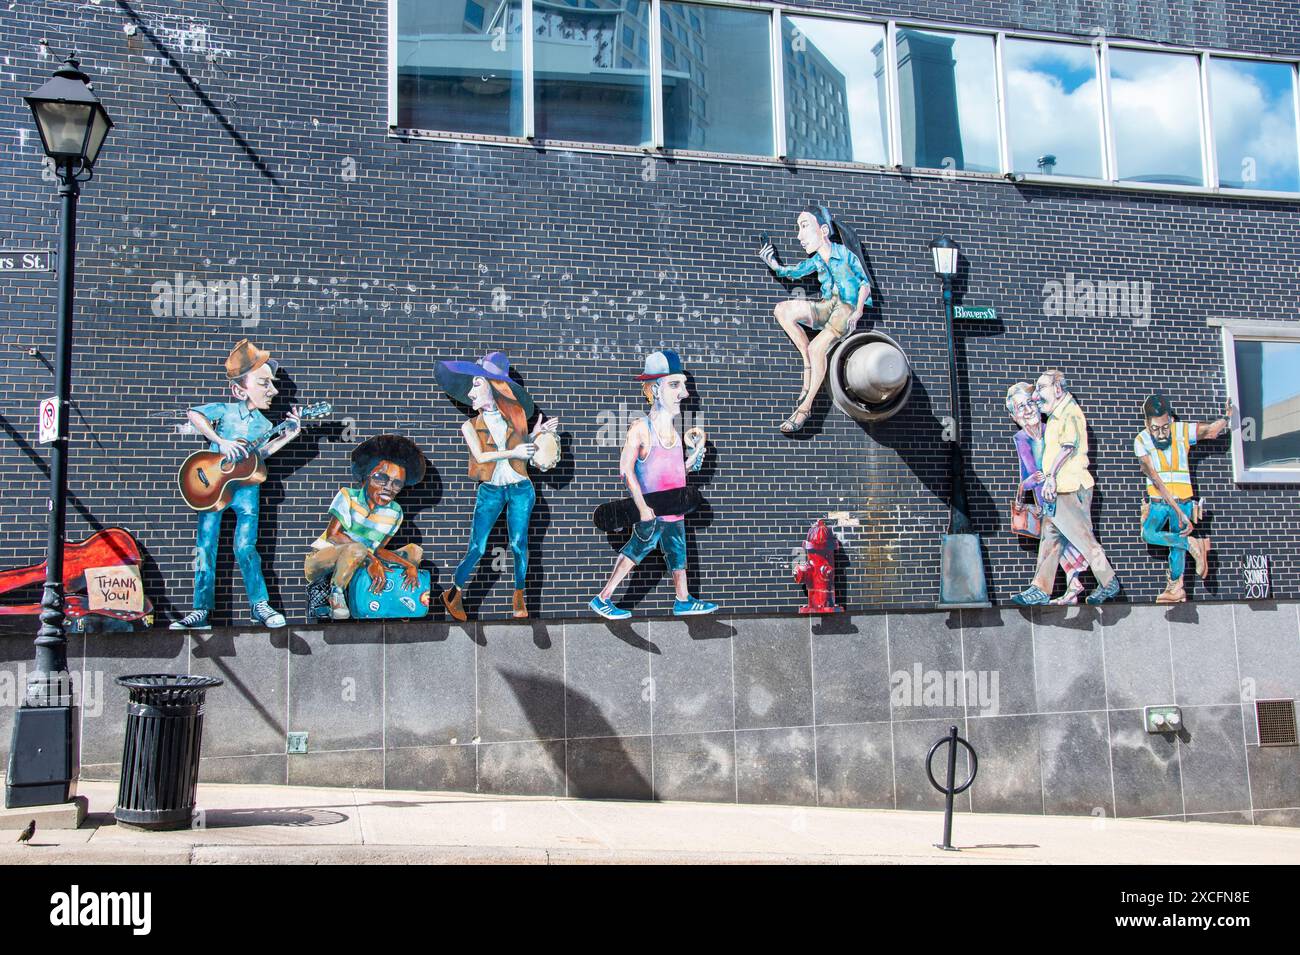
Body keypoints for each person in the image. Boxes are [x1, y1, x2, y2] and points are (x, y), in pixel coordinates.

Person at [171, 339, 301, 630]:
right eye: (264, 383)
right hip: (211, 486)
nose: (273, 390)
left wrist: (289, 435)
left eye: (272, 383)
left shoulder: (265, 426)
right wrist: (221, 442)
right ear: (239, 389)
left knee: (246, 547)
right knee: (205, 547)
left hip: (246, 491)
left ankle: (259, 605)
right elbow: (194, 414)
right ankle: (199, 610)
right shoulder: (225, 411)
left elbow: (261, 455)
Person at [589, 349, 716, 619]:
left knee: (678, 555)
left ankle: (682, 599)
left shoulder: (674, 433)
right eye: (675, 385)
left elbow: (673, 472)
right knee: (637, 550)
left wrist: (692, 460)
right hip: (652, 510)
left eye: (683, 385)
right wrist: (641, 506)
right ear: (656, 390)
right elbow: (625, 470)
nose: (684, 393)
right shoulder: (641, 428)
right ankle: (602, 598)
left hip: (674, 511)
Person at [436, 352, 559, 620]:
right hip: (491, 488)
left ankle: (519, 597)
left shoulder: (514, 421)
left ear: (494, 387)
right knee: (477, 547)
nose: (470, 393)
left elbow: (527, 448)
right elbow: (481, 456)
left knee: (519, 543)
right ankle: (454, 593)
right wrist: (514, 452)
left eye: (477, 384)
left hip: (520, 488)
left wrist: (539, 433)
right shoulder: (469, 426)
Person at [1012, 369, 1121, 606]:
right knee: (1050, 538)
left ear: (1058, 389)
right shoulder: (1055, 416)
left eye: (1041, 388)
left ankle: (1109, 579)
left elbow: (1068, 447)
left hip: (1070, 488)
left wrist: (1050, 477)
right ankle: (1040, 589)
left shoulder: (1070, 413)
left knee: (1082, 538)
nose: (1036, 396)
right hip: (1058, 491)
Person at [759, 205, 872, 433]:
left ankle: (805, 409)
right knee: (782, 310)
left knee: (817, 347)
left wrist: (858, 311)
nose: (799, 235)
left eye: (804, 226)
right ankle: (808, 364)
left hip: (845, 309)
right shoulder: (817, 260)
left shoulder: (844, 254)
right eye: (797, 228)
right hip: (827, 306)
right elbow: (794, 272)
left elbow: (864, 284)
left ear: (823, 230)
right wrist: (773, 264)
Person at [305, 434, 426, 619]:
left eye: (397, 483)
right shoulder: (348, 496)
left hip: (361, 559)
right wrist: (371, 559)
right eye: (381, 478)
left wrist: (408, 565)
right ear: (366, 476)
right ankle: (335, 596)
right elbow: (333, 535)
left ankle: (400, 598)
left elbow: (379, 550)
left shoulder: (395, 512)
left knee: (413, 551)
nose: (388, 487)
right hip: (323, 561)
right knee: (357, 549)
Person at [1135, 394, 1231, 603]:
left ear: (1170, 420)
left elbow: (1212, 431)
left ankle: (1176, 587)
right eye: (1155, 428)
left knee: (1175, 548)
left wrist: (1227, 417)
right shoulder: (1141, 440)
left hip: (1183, 499)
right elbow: (1156, 480)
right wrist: (1179, 513)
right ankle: (1192, 544)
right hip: (1160, 500)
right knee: (1148, 533)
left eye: (1164, 427)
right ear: (1146, 424)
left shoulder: (1182, 430)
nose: (1161, 433)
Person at [1006, 382, 1089, 605]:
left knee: (1057, 539)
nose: (1027, 409)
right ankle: (1073, 583)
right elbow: (1027, 475)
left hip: (1067, 494)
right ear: (1014, 416)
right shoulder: (1021, 439)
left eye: (1030, 402)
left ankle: (1059, 586)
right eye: (1020, 406)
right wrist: (1028, 483)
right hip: (1046, 501)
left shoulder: (1053, 428)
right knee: (1057, 540)